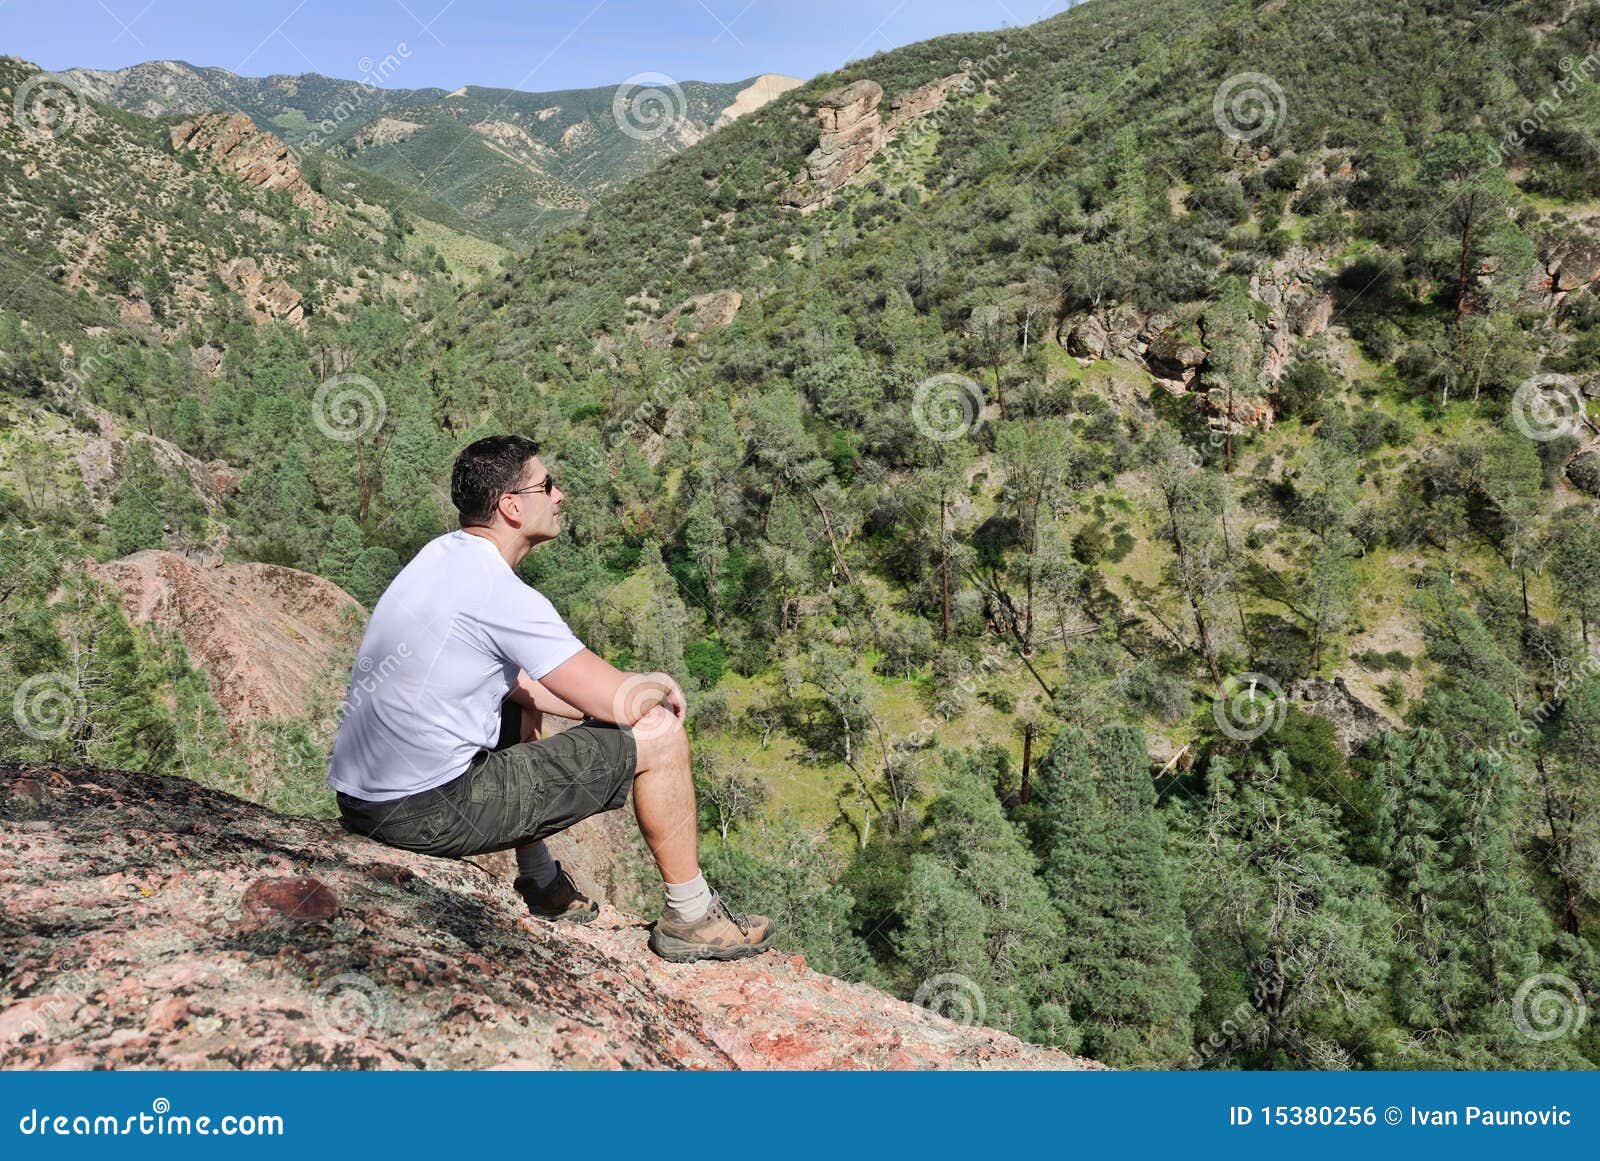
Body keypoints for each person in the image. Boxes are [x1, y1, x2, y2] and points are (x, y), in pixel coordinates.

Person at [327, 434, 774, 963]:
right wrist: (657, 685)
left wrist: (600, 703)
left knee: (521, 699)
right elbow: (618, 702)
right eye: (547, 485)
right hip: (426, 811)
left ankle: (539, 881)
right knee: (658, 733)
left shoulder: (441, 556)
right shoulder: (498, 591)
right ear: (511, 506)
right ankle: (692, 916)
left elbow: (528, 684)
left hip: (365, 799)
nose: (560, 495)